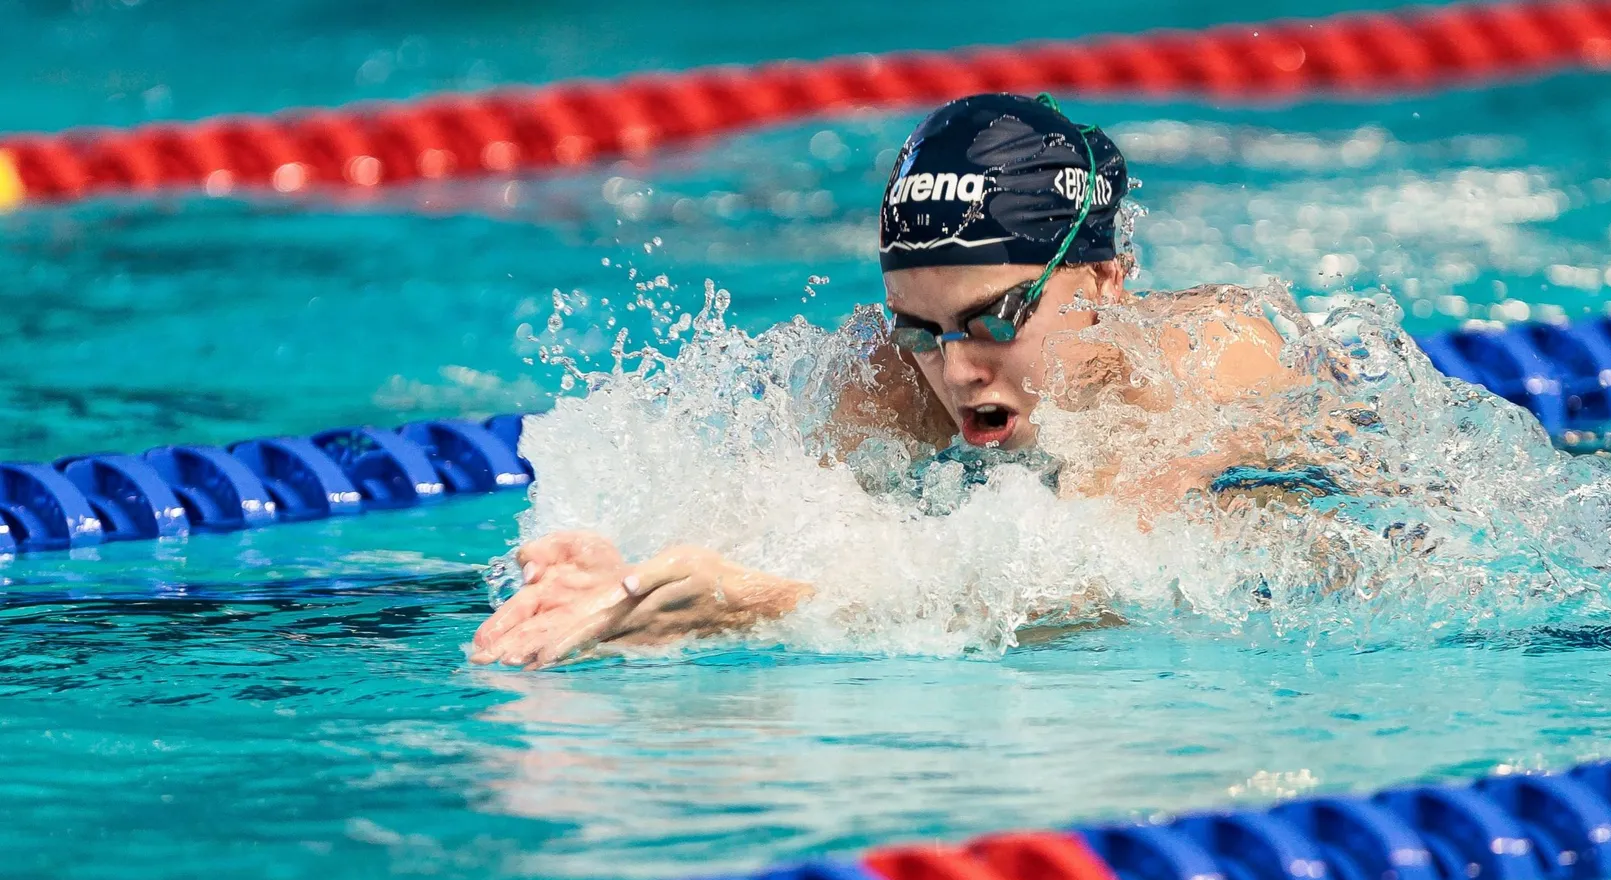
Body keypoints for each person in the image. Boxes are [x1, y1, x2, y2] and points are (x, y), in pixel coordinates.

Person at [470, 92, 1323, 669]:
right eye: (921, 327)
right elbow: (784, 515)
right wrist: (635, 574)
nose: (955, 370)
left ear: (1103, 278)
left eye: (996, 317)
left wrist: (759, 603)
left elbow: (1079, 590)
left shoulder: (1208, 367)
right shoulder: (888, 376)